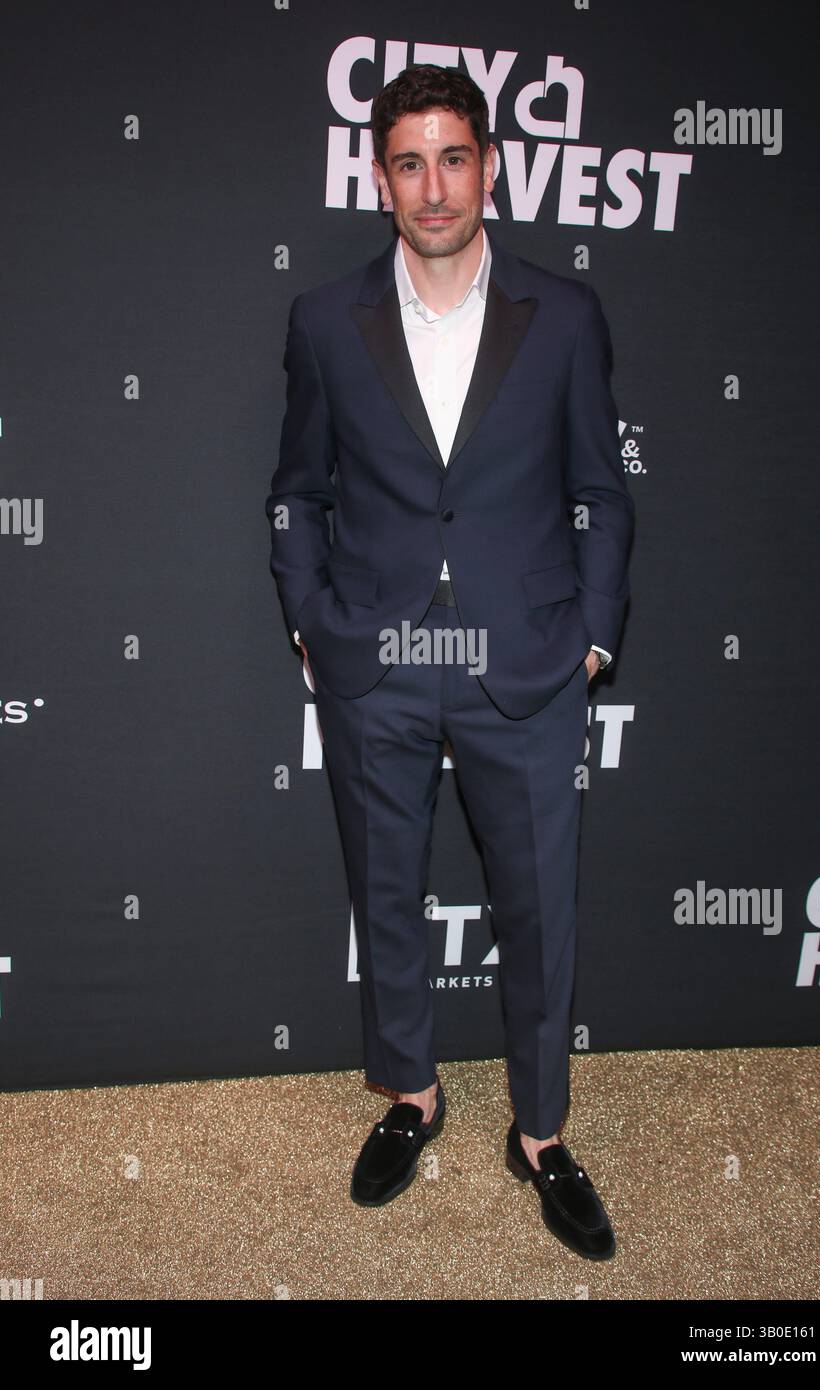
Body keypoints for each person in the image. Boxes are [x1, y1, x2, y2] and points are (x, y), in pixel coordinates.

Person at [266, 64, 634, 1259]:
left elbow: (600, 492)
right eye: (409, 161)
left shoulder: (564, 315)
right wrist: (314, 622)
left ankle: (539, 1131)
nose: (434, 186)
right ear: (381, 179)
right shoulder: (325, 320)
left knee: (538, 909)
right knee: (386, 894)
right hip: (377, 658)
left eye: (454, 157)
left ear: (489, 168)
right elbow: (295, 494)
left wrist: (589, 630)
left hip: (521, 660)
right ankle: (411, 1094)